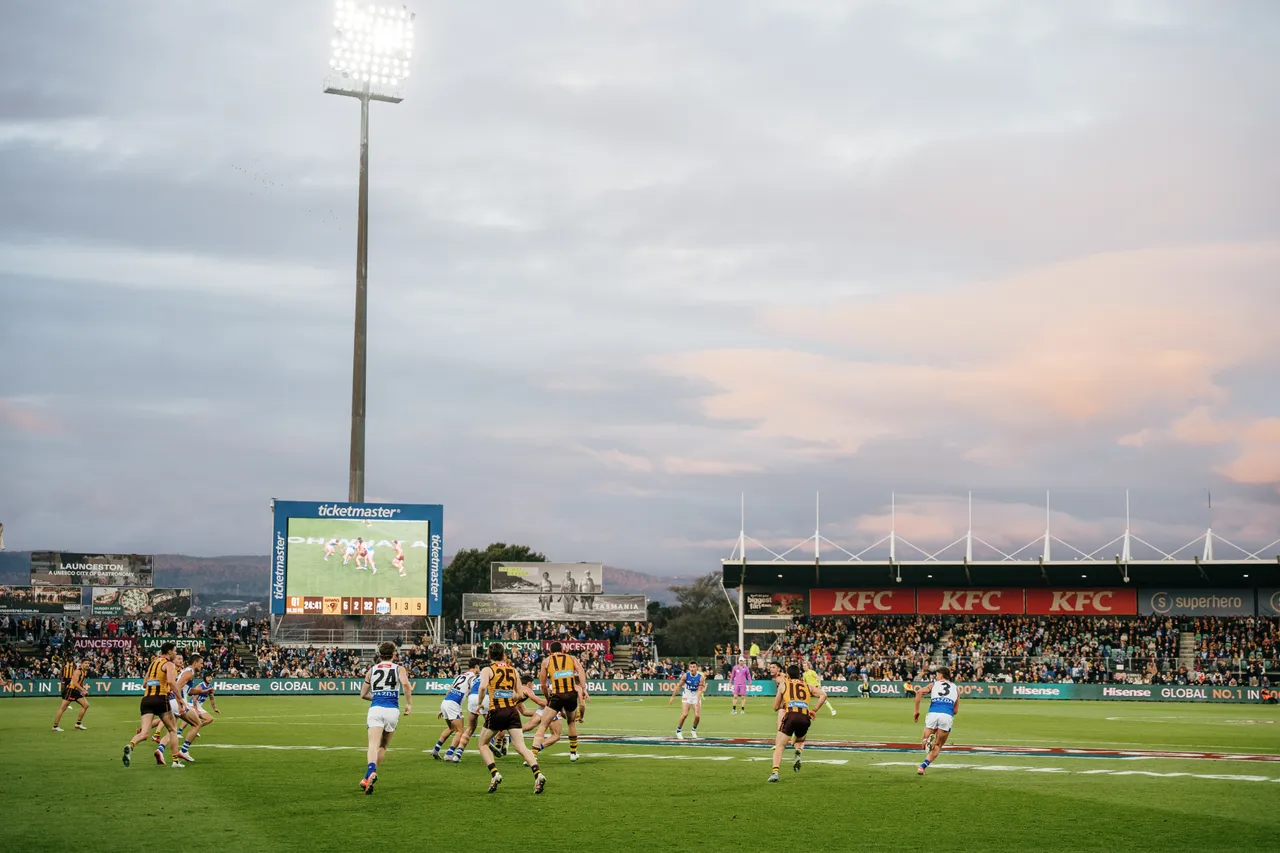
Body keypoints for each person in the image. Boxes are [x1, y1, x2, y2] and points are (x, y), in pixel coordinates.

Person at [475, 642, 545, 794]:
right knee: (521, 747)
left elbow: (482, 687)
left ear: (489, 655)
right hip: (512, 711)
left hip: (496, 710)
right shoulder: (513, 670)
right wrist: (507, 694)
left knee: (482, 744)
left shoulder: (487, 669)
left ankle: (495, 773)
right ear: (504, 655)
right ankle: (538, 774)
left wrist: (480, 703)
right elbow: (519, 694)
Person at [358, 641, 413, 794]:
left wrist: (376, 698)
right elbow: (406, 685)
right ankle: (367, 777)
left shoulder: (372, 670)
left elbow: (363, 694)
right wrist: (409, 704)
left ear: (379, 654)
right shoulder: (399, 668)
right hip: (392, 710)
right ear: (394, 653)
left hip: (376, 709)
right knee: (383, 746)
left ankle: (370, 772)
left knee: (372, 746)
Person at [122, 642, 185, 769]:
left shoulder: (153, 663)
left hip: (146, 700)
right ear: (169, 652)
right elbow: (172, 682)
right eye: (174, 651)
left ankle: (131, 745)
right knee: (172, 730)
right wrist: (180, 699)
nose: (175, 653)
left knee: (144, 733)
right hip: (161, 698)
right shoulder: (169, 664)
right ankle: (175, 761)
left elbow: (144, 684)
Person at [768, 664, 827, 782]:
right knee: (800, 739)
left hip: (790, 715)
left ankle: (775, 772)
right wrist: (814, 710)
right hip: (804, 717)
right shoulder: (807, 686)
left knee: (780, 745)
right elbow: (823, 695)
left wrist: (785, 704)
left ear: (788, 675)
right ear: (800, 674)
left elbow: (775, 707)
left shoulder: (784, 684)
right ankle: (798, 751)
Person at [532, 641, 587, 762]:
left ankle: (533, 753)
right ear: (562, 650)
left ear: (550, 651)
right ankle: (573, 753)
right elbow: (581, 671)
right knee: (571, 722)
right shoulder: (571, 658)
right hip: (571, 694)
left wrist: (548, 698)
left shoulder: (546, 661)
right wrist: (583, 688)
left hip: (557, 695)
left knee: (543, 725)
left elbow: (543, 685)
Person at [913, 666, 959, 776]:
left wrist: (916, 711)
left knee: (925, 741)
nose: (936, 676)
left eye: (937, 674)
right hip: (946, 715)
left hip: (933, 714)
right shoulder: (956, 688)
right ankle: (923, 766)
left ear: (942, 675)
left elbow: (919, 692)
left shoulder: (933, 684)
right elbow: (956, 710)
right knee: (938, 745)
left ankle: (926, 740)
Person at [433, 658, 481, 760]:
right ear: (476, 666)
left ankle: (436, 749)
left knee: (451, 728)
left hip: (446, 701)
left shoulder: (460, 675)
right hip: (454, 704)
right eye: (479, 667)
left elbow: (450, 689)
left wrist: (444, 708)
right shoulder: (473, 677)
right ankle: (449, 754)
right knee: (460, 731)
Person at [668, 661, 707, 739]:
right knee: (685, 714)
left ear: (696, 668)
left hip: (695, 695)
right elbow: (678, 686)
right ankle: (678, 730)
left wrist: (697, 701)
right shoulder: (685, 676)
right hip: (687, 695)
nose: (692, 669)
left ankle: (693, 730)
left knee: (697, 715)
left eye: (694, 667)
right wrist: (672, 697)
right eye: (691, 667)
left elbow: (699, 690)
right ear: (689, 668)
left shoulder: (700, 677)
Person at [52, 658, 89, 732]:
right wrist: (83, 690)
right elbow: (75, 683)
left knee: (86, 705)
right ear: (81, 664)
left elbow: (81, 682)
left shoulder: (84, 672)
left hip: (75, 691)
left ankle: (78, 723)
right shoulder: (77, 671)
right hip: (70, 690)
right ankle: (55, 726)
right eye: (85, 663)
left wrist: (82, 690)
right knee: (63, 708)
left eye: (88, 663)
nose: (87, 665)